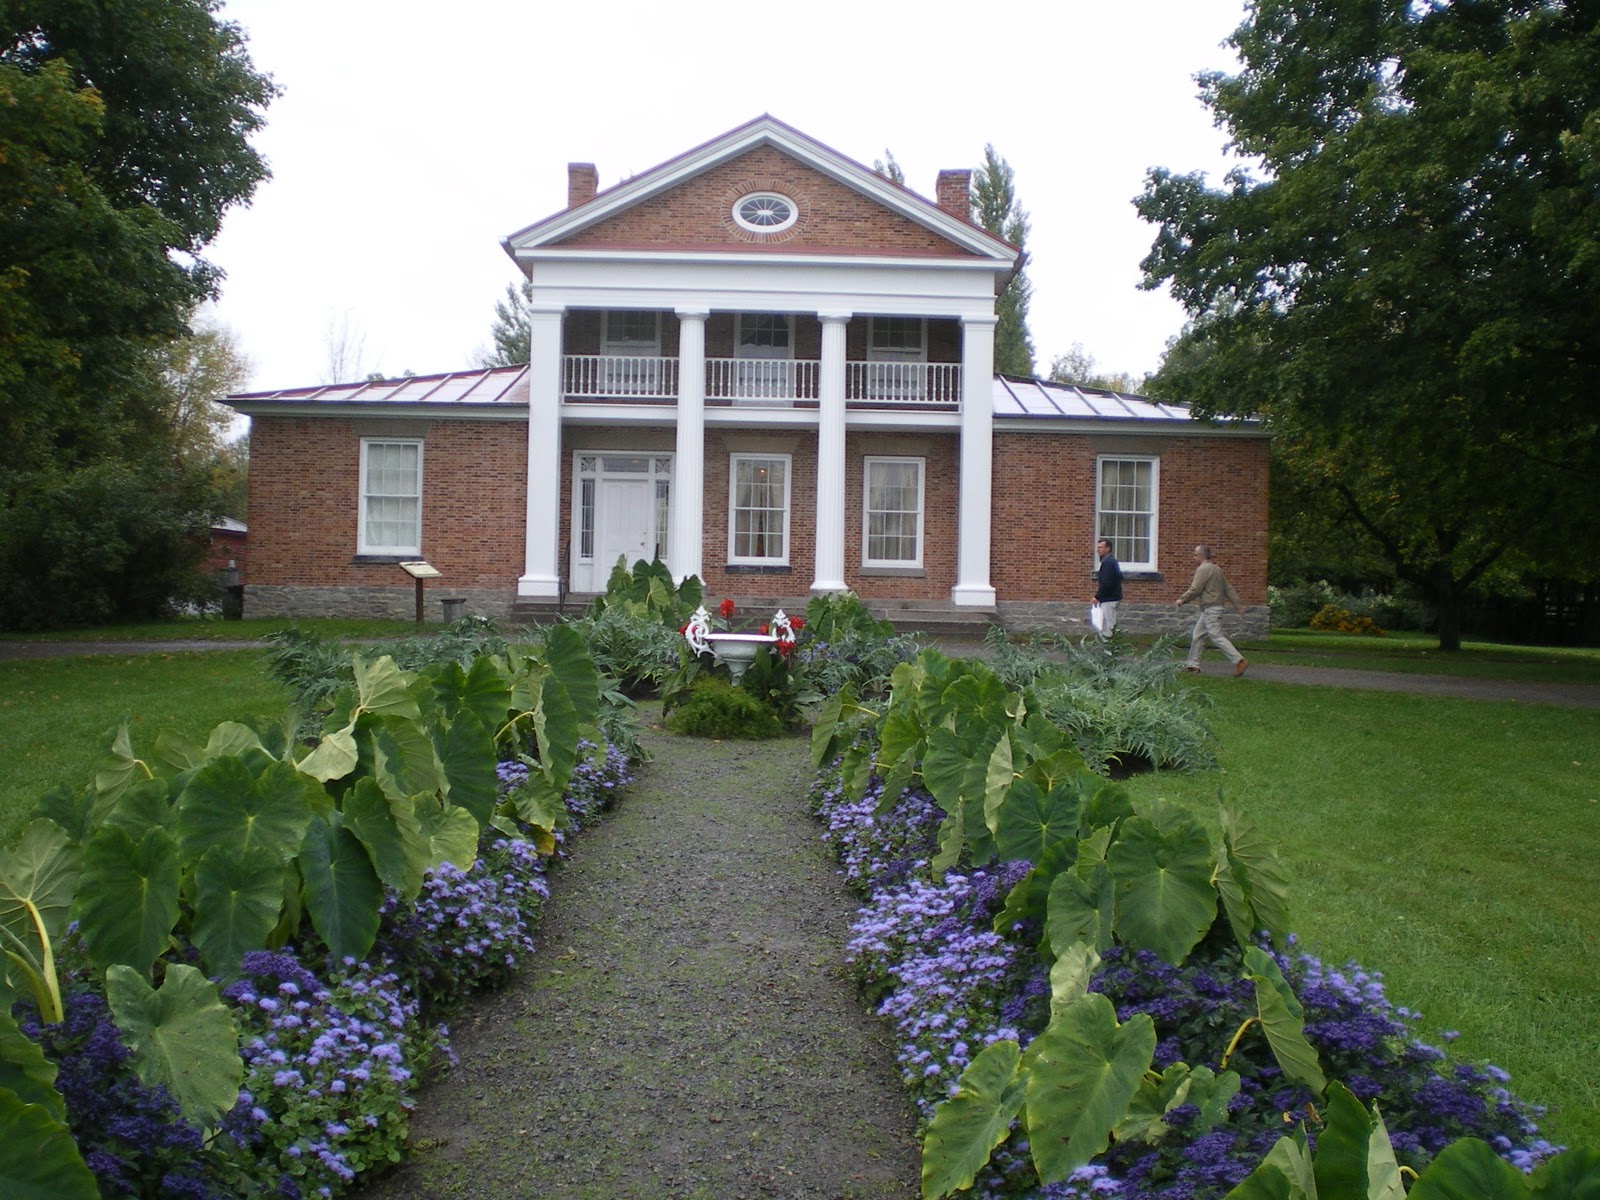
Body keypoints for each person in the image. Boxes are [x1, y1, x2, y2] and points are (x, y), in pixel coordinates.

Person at [1176, 544, 1248, 676]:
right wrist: (1238, 605)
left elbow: (1196, 588)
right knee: (1198, 635)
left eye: (1195, 555)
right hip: (1211, 608)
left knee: (1216, 635)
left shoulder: (1203, 569)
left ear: (1201, 556)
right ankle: (1192, 665)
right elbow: (1229, 588)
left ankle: (1239, 660)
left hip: (1211, 608)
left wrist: (1182, 599)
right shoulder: (1216, 569)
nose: (1193, 558)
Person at [1093, 537, 1122, 639]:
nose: (1098, 550)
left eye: (1101, 547)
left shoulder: (1108, 563)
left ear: (1108, 549)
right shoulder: (1110, 562)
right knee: (1107, 624)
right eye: (1098, 547)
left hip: (1109, 599)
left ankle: (1109, 651)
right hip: (1110, 597)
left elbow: (1107, 583)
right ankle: (1108, 649)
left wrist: (1097, 597)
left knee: (1107, 626)